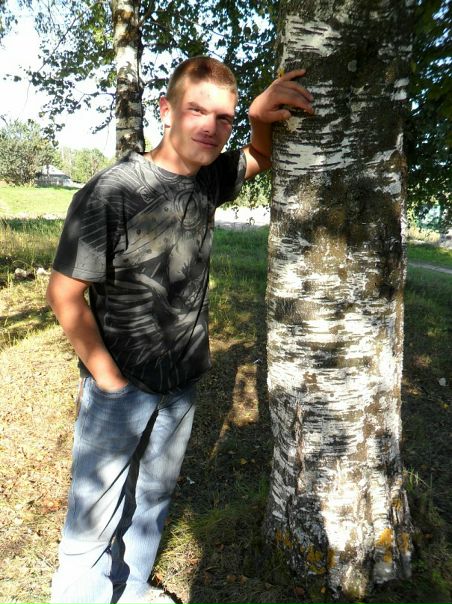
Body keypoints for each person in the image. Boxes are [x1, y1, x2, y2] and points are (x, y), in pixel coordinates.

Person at [46, 56, 314, 604]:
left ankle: (131, 591)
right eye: (196, 111)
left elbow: (259, 156)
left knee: (152, 500)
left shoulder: (207, 180)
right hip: (120, 384)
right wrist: (110, 381)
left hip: (182, 384)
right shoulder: (112, 191)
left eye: (223, 118)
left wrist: (258, 116)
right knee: (93, 522)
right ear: (166, 110)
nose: (210, 127)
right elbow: (64, 293)